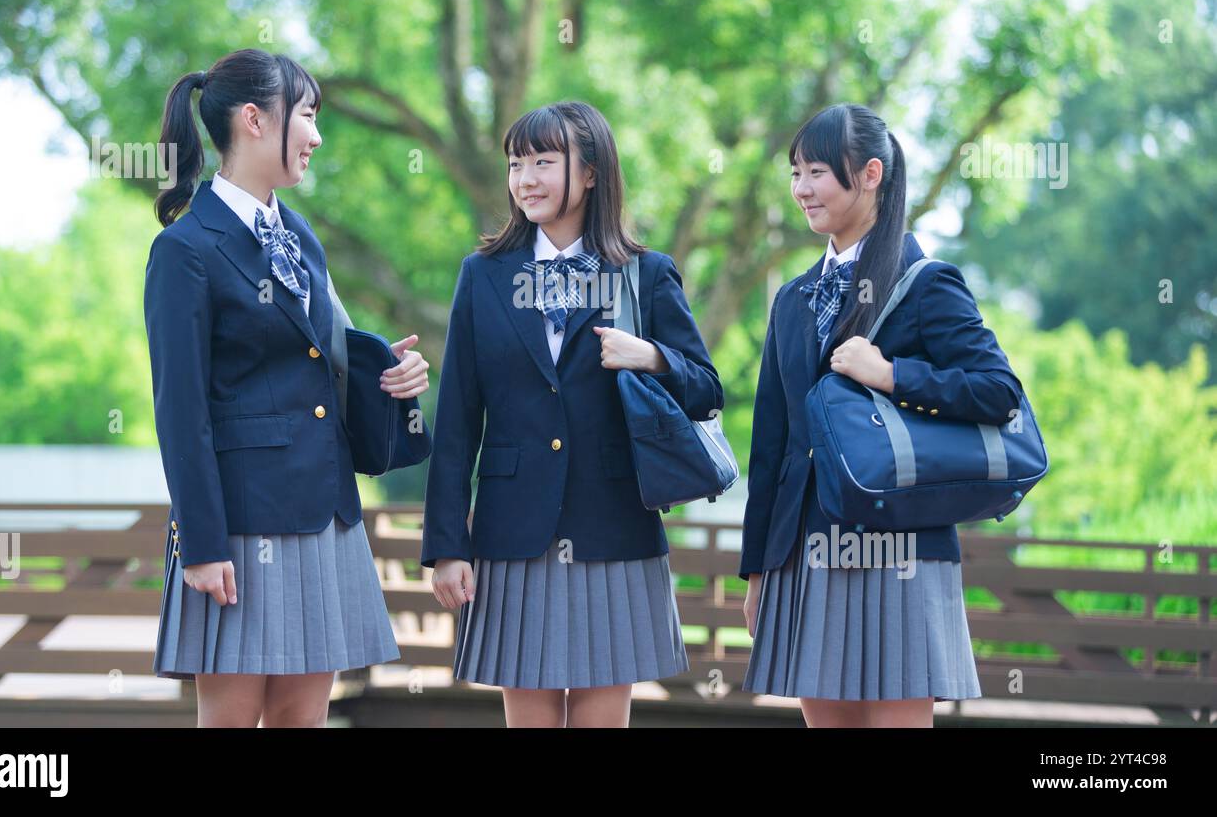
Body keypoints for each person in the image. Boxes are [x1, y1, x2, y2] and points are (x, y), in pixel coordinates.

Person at [144, 48, 429, 727]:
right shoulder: (186, 250)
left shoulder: (300, 236)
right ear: (253, 119)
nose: (317, 136)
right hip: (240, 527)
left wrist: (392, 373)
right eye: (306, 115)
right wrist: (203, 545)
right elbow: (179, 412)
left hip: (327, 511)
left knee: (304, 720)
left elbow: (318, 359)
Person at [422, 101, 724, 727]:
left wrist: (653, 357)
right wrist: (446, 545)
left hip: (611, 530)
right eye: (515, 163)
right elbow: (455, 422)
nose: (525, 178)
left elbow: (706, 392)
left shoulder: (645, 274)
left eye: (543, 161)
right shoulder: (482, 276)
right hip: (511, 536)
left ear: (590, 173)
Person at [740, 102, 1024, 727]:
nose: (802, 189)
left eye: (816, 171)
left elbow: (999, 391)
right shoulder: (792, 299)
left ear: (870, 174)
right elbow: (772, 445)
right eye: (795, 173)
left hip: (902, 547)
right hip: (808, 550)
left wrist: (893, 376)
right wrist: (759, 567)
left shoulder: (925, 282)